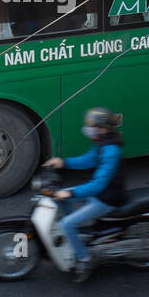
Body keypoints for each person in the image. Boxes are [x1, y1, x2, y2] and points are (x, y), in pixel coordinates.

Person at [42, 107, 127, 283]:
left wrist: (70, 191)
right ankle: (78, 233)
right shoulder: (103, 143)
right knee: (59, 199)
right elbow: (88, 160)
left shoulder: (111, 151)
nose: (87, 128)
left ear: (102, 128)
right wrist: (63, 162)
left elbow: (98, 185)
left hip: (107, 198)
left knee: (66, 224)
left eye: (91, 125)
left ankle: (85, 259)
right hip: (102, 191)